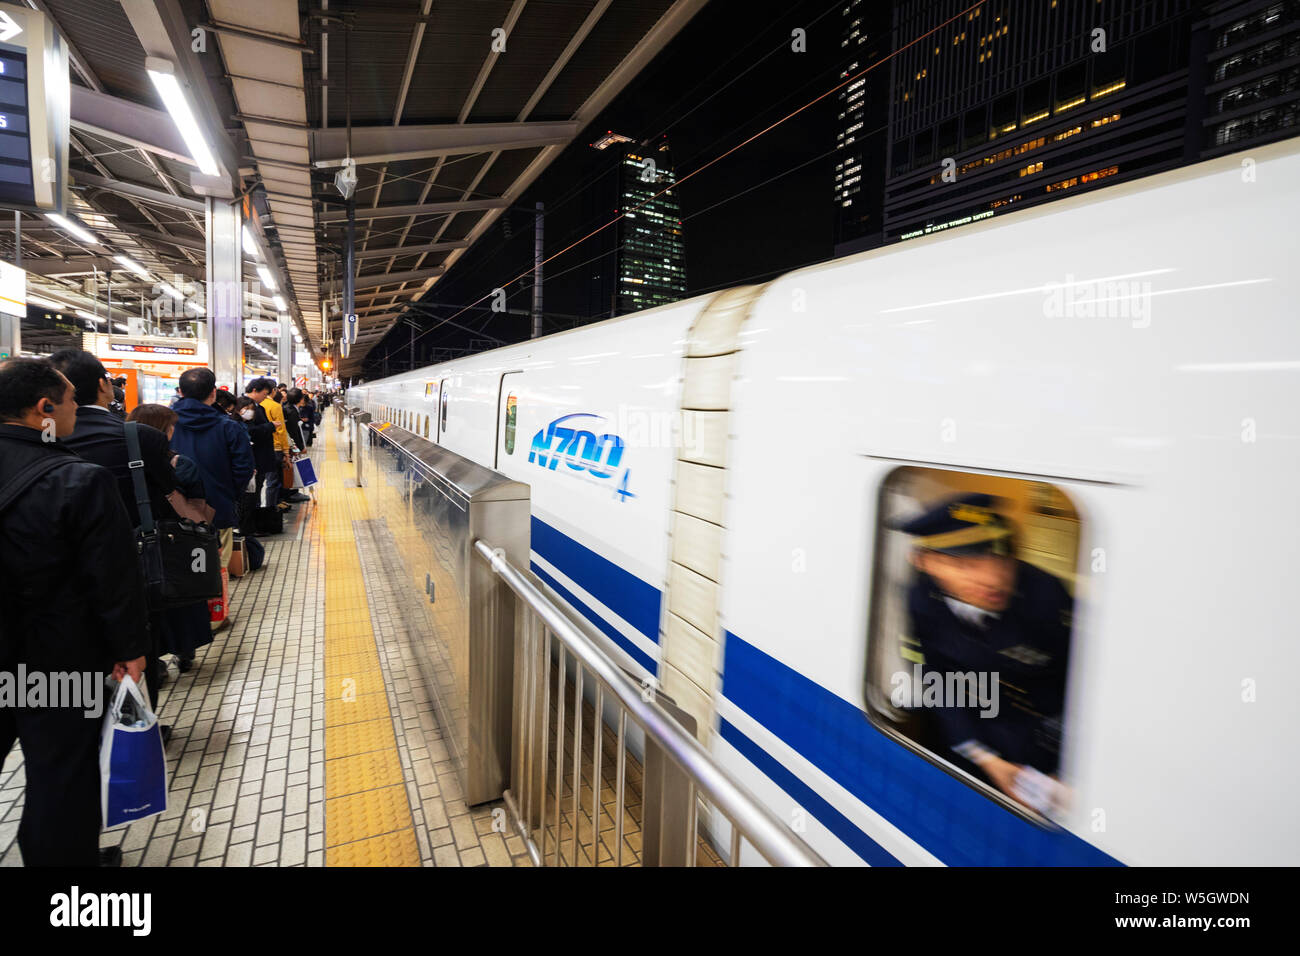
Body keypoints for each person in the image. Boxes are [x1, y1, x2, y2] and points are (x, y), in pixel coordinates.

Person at [0, 358, 149, 866]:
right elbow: (112, 579)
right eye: (68, 407)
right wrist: (129, 650)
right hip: (55, 663)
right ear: (44, 409)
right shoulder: (78, 480)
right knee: (61, 774)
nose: (74, 417)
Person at [47, 349, 205, 720]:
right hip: (132, 562)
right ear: (104, 386)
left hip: (57, 576)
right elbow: (169, 493)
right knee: (135, 642)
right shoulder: (140, 438)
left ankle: (86, 716)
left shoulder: (39, 442)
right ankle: (140, 725)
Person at [895, 492, 1072, 808]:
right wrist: (982, 756)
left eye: (1000, 559)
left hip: (1047, 749)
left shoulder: (1047, 595)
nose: (993, 579)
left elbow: (1079, 686)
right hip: (972, 736)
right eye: (964, 564)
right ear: (924, 562)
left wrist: (1069, 770)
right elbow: (936, 679)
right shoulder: (921, 599)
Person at [169, 368, 256, 639]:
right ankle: (215, 618)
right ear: (214, 393)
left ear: (180, 392)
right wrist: (227, 493)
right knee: (218, 563)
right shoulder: (228, 426)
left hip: (175, 510)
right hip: (218, 507)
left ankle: (188, 620)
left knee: (182, 565)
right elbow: (244, 467)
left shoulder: (165, 425)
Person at [243, 379, 283, 516]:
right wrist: (271, 426)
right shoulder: (246, 406)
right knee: (252, 493)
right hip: (255, 456)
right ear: (254, 391)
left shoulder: (256, 406)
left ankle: (255, 521)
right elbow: (249, 431)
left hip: (259, 455)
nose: (265, 397)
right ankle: (251, 524)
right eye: (264, 394)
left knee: (257, 490)